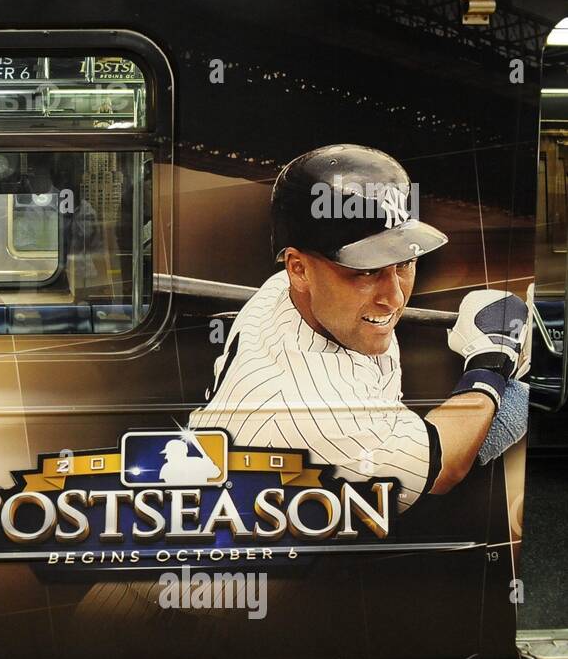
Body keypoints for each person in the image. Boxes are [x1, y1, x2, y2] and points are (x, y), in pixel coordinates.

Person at [189, 144, 528, 512]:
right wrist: (491, 364)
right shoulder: (308, 412)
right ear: (299, 268)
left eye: (404, 263)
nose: (395, 298)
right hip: (258, 547)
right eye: (365, 271)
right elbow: (445, 465)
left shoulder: (284, 291)